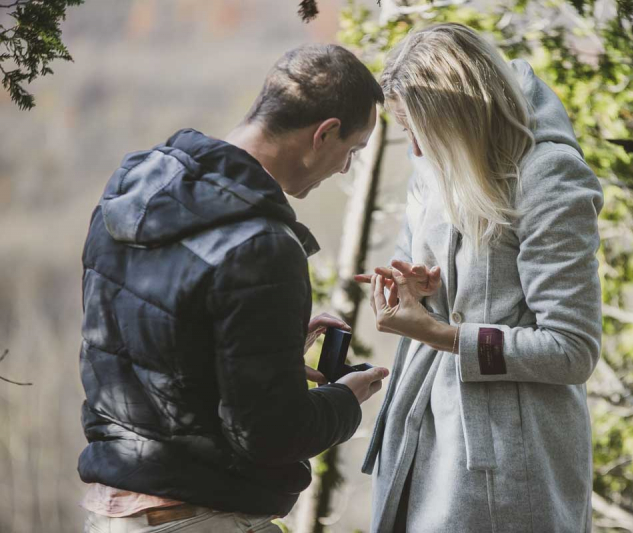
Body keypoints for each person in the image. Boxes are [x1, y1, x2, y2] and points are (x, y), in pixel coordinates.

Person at [78, 44, 389, 533]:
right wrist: (346, 401)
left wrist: (268, 348)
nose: (344, 168)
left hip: (113, 512)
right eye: (350, 151)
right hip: (202, 516)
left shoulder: (128, 196)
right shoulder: (264, 245)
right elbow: (271, 434)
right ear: (324, 133)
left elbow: (141, 343)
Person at [355, 23, 604, 532]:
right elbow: (426, 265)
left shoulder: (549, 178)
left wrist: (441, 334)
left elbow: (571, 350)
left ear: (459, 119)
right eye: (408, 135)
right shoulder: (432, 161)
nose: (417, 152)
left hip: (512, 464)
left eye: (420, 134)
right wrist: (420, 289)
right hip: (420, 435)